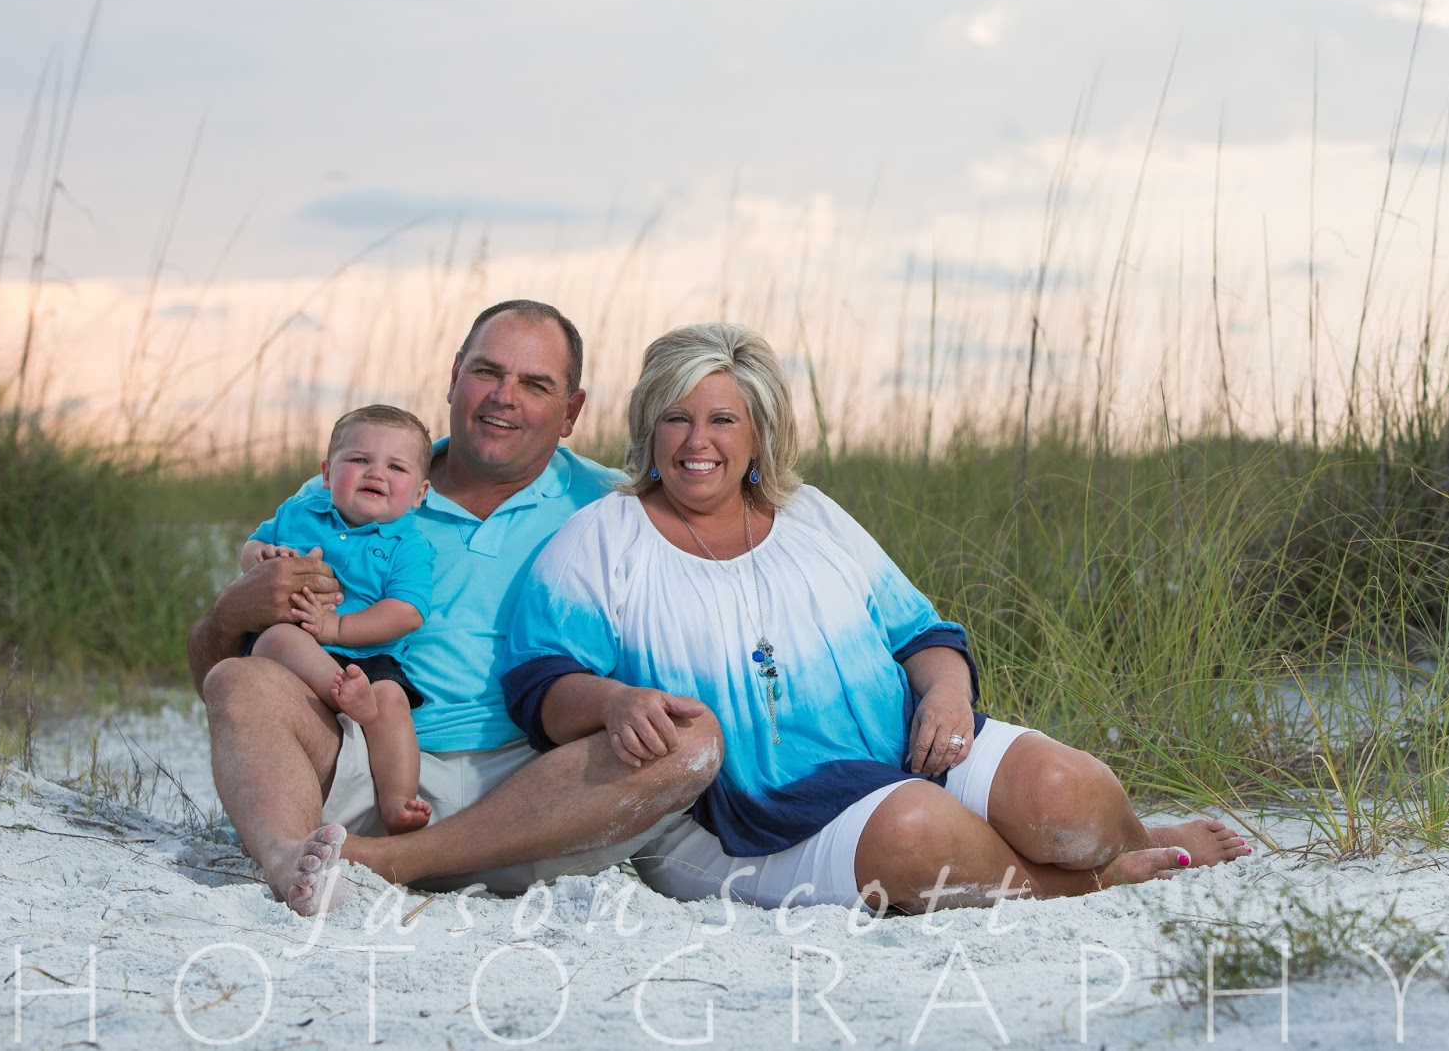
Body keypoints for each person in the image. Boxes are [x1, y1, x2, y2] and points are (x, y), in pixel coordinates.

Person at [502, 322, 1251, 912]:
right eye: (677, 418)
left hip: (903, 748)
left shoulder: (809, 513)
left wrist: (950, 697)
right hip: (752, 814)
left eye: (723, 419)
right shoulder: (603, 536)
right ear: (649, 427)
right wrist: (614, 700)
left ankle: (1133, 840)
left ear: (759, 433)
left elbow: (921, 635)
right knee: (915, 831)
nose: (699, 442)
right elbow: (543, 688)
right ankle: (1089, 885)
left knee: (1067, 790)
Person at [188, 300, 722, 915]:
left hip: (541, 795)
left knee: (691, 736)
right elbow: (210, 679)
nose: (504, 397)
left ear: (571, 411)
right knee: (240, 679)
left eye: (535, 384)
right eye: (487, 373)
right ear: (453, 377)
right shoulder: (354, 484)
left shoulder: (614, 505)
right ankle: (292, 860)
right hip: (368, 765)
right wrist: (232, 613)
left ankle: (390, 862)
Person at [241, 404, 435, 835]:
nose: (376, 474)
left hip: (369, 659)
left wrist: (339, 628)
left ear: (419, 494)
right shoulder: (299, 512)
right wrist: (264, 558)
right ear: (328, 474)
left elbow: (406, 612)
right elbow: (251, 547)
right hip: (298, 643)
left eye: (395, 466)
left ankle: (398, 800)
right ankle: (340, 696)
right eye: (360, 460)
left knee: (392, 701)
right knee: (274, 638)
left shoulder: (410, 546)